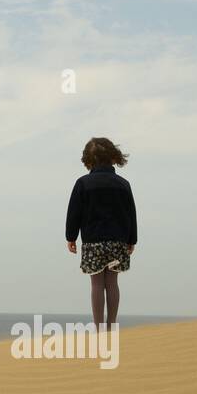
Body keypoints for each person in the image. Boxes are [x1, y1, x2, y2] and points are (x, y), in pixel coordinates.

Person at [65, 138, 137, 329]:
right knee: (112, 282)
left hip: (93, 242)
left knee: (97, 284)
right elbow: (131, 213)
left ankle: (98, 328)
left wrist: (70, 237)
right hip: (118, 241)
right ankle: (111, 324)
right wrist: (132, 239)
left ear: (89, 160)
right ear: (113, 158)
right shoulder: (123, 184)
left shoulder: (83, 183)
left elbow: (74, 212)